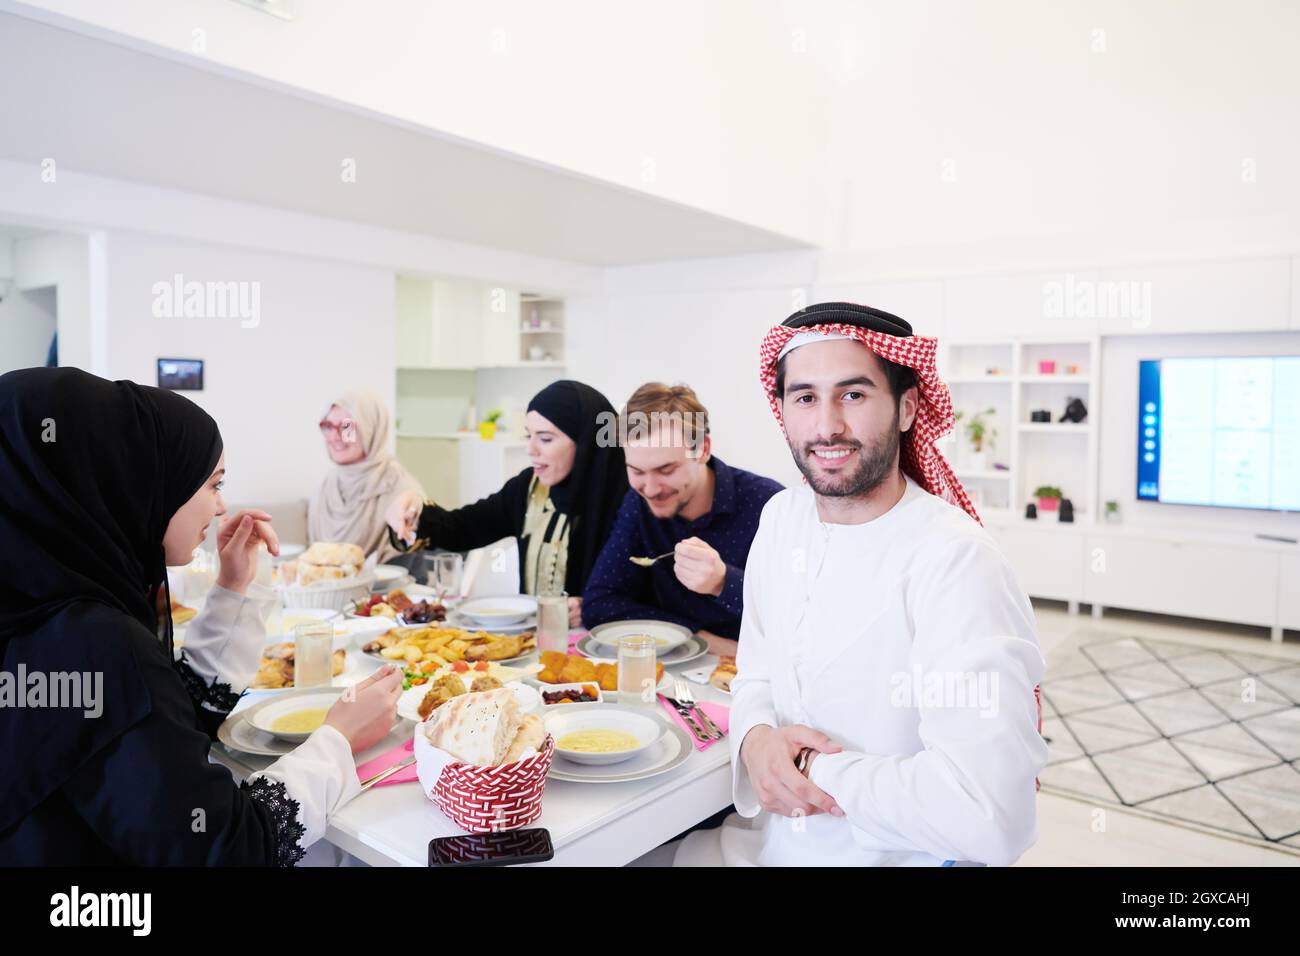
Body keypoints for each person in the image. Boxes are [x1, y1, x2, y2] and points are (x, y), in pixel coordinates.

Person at [674, 302, 1047, 867]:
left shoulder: (956, 561)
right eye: (805, 397)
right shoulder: (781, 517)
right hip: (767, 844)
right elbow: (756, 671)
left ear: (907, 407)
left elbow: (991, 814)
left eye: (853, 394)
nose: (826, 425)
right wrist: (754, 740)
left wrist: (808, 768)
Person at [0, 367, 402, 866]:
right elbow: (228, 848)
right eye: (213, 484)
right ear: (139, 484)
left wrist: (233, 588)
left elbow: (155, 724)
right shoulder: (92, 639)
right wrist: (338, 740)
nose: (220, 506)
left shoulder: (35, 607)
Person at [387, 380, 627, 627]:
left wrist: (594, 608)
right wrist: (412, 512)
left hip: (609, 652)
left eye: (545, 439)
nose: (531, 449)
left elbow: (648, 594)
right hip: (533, 648)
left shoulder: (630, 499)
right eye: (528, 436)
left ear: (586, 441)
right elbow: (463, 528)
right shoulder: (530, 488)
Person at [581, 383, 782, 656]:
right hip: (677, 676)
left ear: (703, 450)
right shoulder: (638, 503)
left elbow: (799, 613)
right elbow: (599, 604)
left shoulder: (769, 505)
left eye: (666, 469)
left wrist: (723, 582)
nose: (651, 488)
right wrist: (701, 640)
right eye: (636, 471)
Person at [311, 389, 424, 565]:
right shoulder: (327, 485)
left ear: (372, 429)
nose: (334, 436)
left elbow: (409, 566)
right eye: (328, 426)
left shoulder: (401, 490)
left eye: (347, 426)